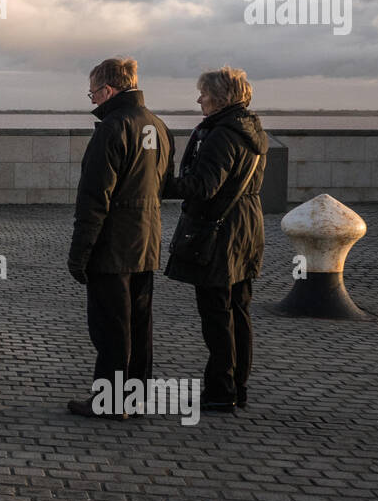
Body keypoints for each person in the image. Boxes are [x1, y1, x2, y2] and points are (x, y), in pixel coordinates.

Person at [67, 57, 174, 419]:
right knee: (140, 326)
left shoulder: (112, 129)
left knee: (111, 328)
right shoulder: (158, 126)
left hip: (112, 247)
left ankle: (111, 404)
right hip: (146, 242)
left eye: (94, 93)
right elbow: (164, 184)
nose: (93, 100)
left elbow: (95, 198)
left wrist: (80, 252)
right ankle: (134, 399)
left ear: (108, 89)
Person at [165, 66, 268, 413]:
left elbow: (203, 187)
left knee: (217, 314)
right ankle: (237, 386)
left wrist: (159, 183)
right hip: (246, 227)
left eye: (203, 93)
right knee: (238, 310)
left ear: (221, 97)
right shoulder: (250, 129)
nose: (198, 99)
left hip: (222, 235)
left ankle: (221, 389)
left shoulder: (222, 135)